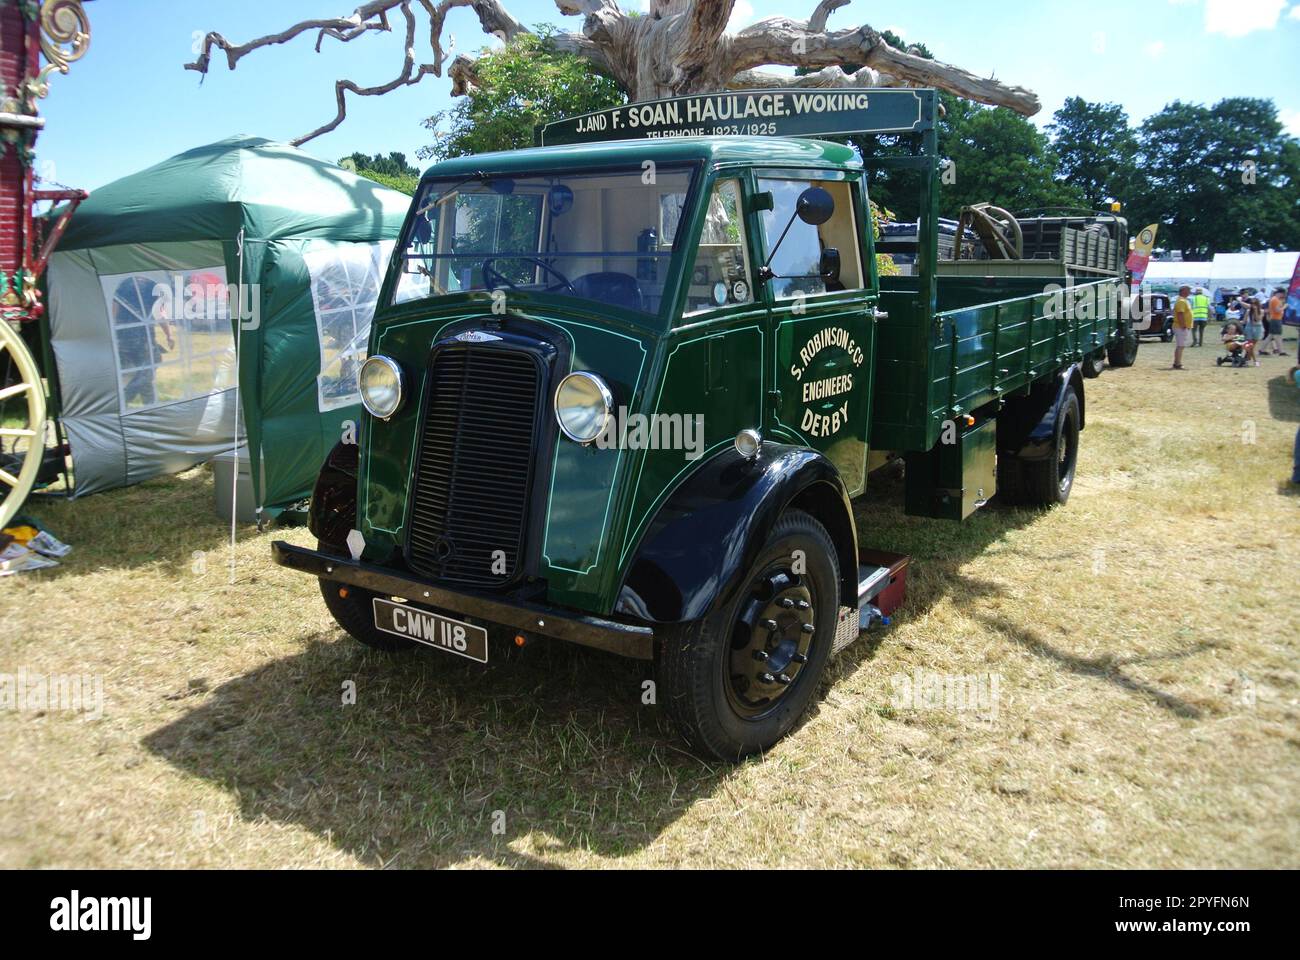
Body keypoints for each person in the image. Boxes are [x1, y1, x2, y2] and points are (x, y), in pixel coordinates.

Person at [1172, 285, 1194, 369]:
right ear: (1183, 291)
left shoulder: (1184, 300)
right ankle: (1177, 363)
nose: (1189, 292)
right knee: (1180, 345)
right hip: (1180, 327)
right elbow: (1180, 313)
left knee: (1181, 345)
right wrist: (1183, 325)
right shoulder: (1181, 301)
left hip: (1182, 326)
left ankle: (1177, 362)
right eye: (1188, 290)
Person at [1241, 295, 1265, 366]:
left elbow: (1257, 319)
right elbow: (1244, 321)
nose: (1253, 306)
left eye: (1255, 304)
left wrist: (1255, 311)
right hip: (1249, 328)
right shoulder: (1248, 311)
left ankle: (1247, 359)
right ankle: (1255, 361)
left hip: (1258, 328)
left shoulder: (1261, 311)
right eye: (1252, 304)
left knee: (1252, 346)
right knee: (1249, 345)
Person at [1265, 287, 1287, 356]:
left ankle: (1262, 349)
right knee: (1277, 335)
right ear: (1281, 293)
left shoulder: (1275, 299)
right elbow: (1277, 310)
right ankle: (1281, 351)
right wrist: (1284, 307)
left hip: (1275, 318)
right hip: (1276, 319)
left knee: (1271, 335)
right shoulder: (1275, 300)